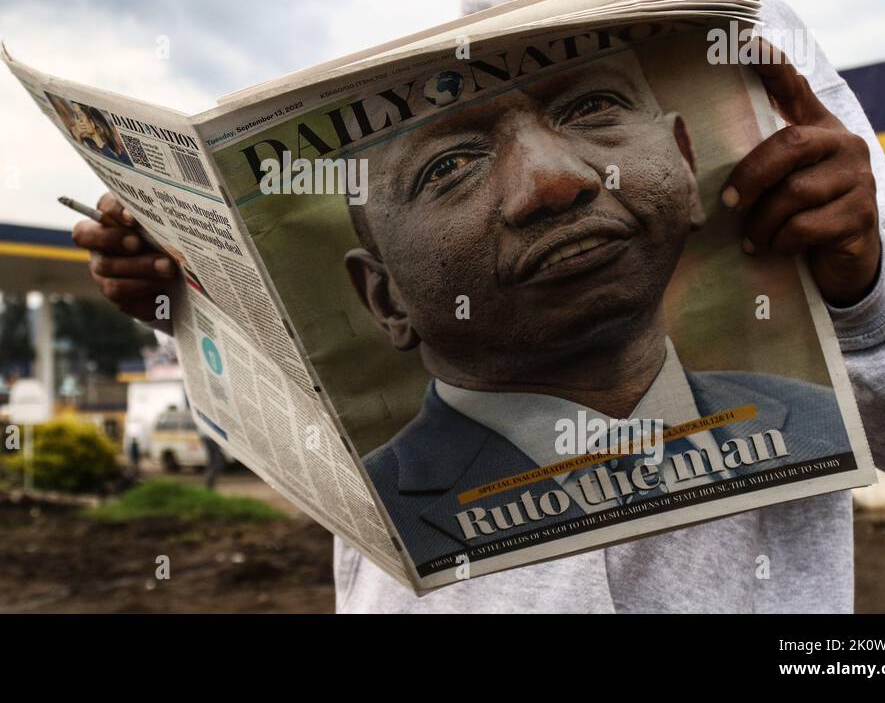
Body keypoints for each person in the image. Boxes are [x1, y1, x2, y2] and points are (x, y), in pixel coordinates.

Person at [71, 0, 885, 612]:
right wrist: (178, 297)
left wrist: (864, 279)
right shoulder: (401, 91)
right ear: (382, 297)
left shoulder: (752, 47)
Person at [343, 44, 851, 569]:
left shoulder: (823, 421)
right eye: (450, 165)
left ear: (684, 162)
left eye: (589, 108)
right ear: (387, 299)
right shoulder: (373, 514)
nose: (554, 182)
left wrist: (865, 288)